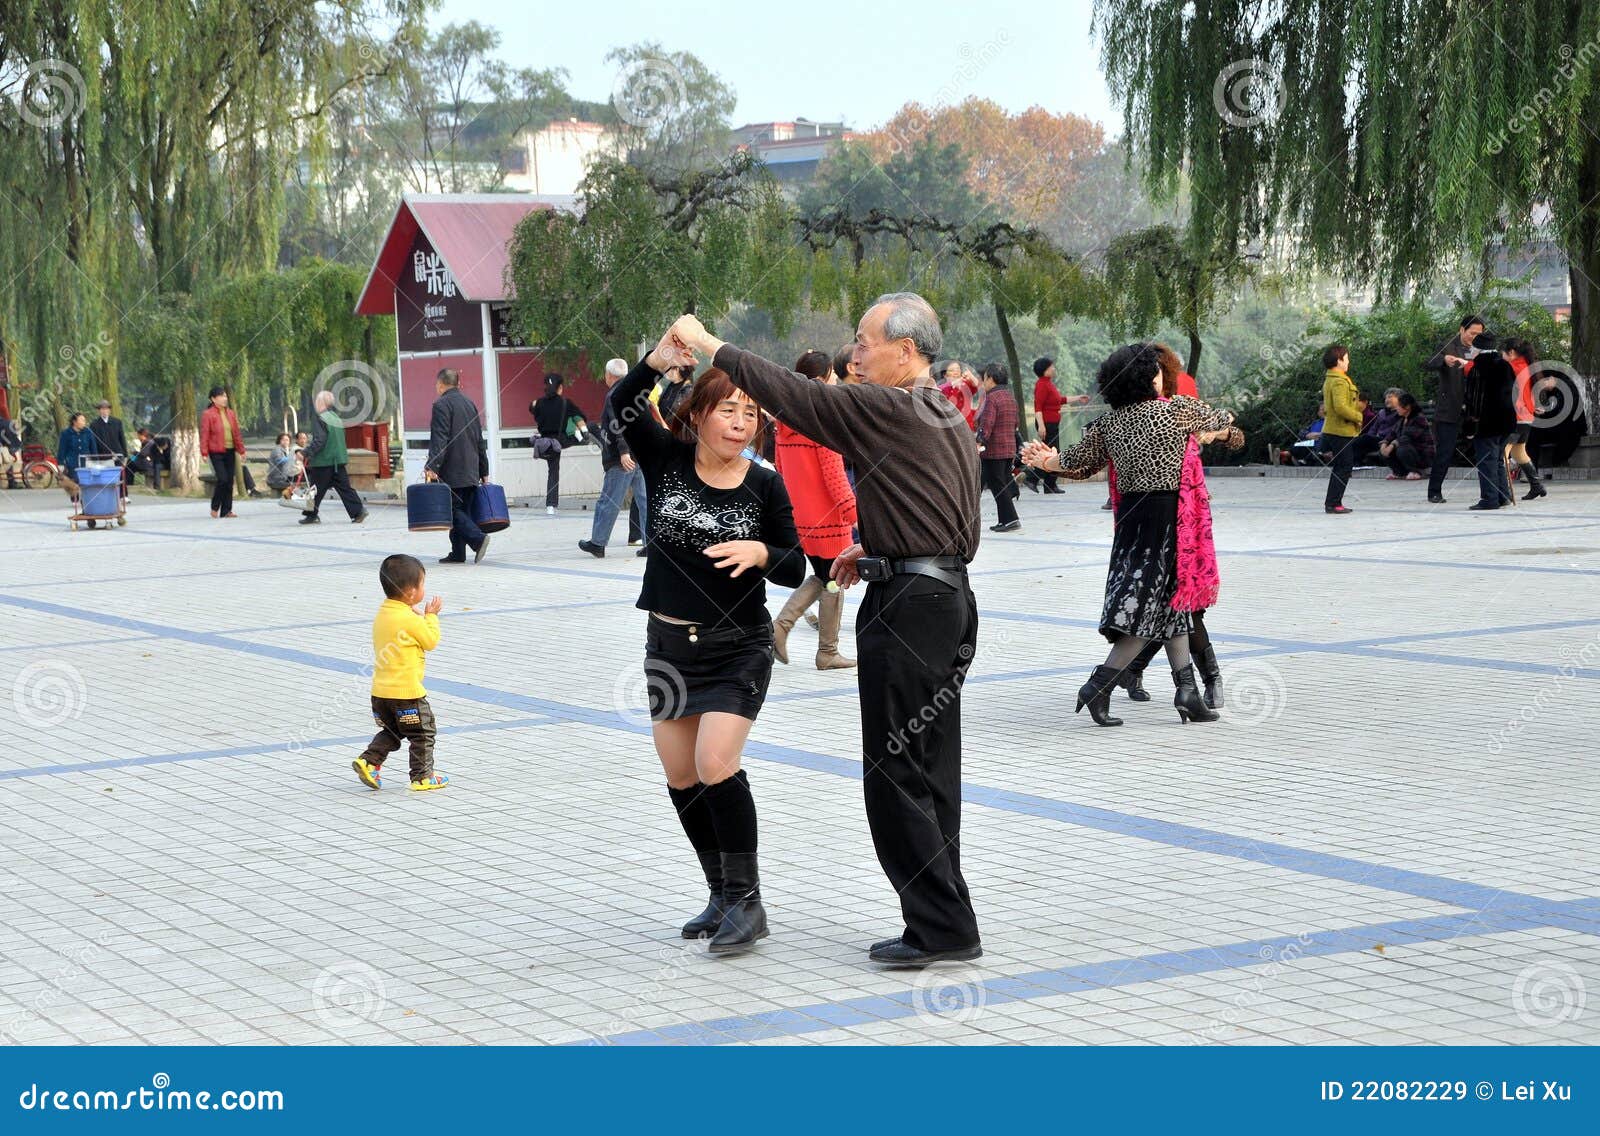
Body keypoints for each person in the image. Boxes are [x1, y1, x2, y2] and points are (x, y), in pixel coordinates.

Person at [667, 293, 984, 969]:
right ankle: (946, 915)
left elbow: (797, 399)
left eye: (866, 343)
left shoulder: (891, 406)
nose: (854, 354)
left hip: (911, 609)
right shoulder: (945, 412)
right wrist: (871, 549)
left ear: (909, 350)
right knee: (931, 768)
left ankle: (941, 926)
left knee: (895, 771)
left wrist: (708, 341)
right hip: (945, 596)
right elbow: (937, 508)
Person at [609, 337, 805, 957]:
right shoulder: (665, 459)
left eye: (751, 413)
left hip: (739, 647)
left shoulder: (766, 486)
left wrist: (763, 554)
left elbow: (798, 565)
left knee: (718, 763)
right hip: (668, 646)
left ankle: (749, 902)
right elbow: (622, 400)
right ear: (697, 414)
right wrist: (660, 362)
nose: (741, 422)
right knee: (682, 774)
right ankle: (720, 891)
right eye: (729, 410)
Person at [1021, 343, 1235, 728]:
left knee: (1173, 606)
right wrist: (1215, 430)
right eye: (1154, 370)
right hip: (1169, 520)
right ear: (1147, 377)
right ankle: (1099, 685)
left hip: (1132, 522)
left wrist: (1043, 460)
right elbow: (1221, 415)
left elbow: (1073, 464)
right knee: (1151, 611)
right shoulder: (1175, 411)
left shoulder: (1110, 423)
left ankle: (1186, 692)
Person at [771, 350, 859, 671]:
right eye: (832, 376)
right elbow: (835, 480)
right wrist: (856, 515)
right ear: (822, 380)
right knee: (834, 580)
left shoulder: (785, 424)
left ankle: (786, 629)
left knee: (825, 577)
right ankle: (824, 650)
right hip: (829, 520)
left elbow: (781, 470)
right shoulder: (821, 423)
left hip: (802, 519)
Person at [351, 554, 449, 793]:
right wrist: (431, 616)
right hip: (406, 693)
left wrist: (414, 614)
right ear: (411, 592)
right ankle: (422, 776)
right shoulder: (409, 618)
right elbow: (431, 640)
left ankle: (370, 761)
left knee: (393, 731)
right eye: (422, 584)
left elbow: (401, 626)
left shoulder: (384, 613)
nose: (423, 589)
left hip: (381, 693)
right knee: (422, 732)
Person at [580, 358, 649, 559]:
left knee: (609, 500)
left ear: (609, 376)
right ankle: (650, 544)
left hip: (622, 459)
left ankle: (597, 543)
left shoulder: (614, 394)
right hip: (641, 456)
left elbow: (619, 424)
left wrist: (623, 451)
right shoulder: (637, 392)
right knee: (645, 501)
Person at [425, 368, 490, 564]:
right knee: (463, 510)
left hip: (451, 470)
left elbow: (440, 438)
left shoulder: (441, 405)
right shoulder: (469, 403)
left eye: (436, 384)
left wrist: (432, 466)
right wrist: (484, 469)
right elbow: (479, 439)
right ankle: (458, 553)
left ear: (441, 384)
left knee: (450, 510)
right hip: (470, 469)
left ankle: (478, 539)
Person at [1425, 315, 1484, 503]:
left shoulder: (1481, 349)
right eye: (1471, 333)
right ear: (1461, 330)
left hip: (1475, 409)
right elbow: (1428, 362)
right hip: (1450, 408)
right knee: (1445, 451)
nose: (1474, 337)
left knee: (1486, 451)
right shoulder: (1448, 346)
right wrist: (1444, 359)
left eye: (1478, 334)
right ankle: (1434, 491)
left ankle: (1491, 493)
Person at [1463, 334, 1517, 510]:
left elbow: (1474, 401)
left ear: (1479, 349)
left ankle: (1489, 499)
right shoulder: (1505, 366)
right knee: (1498, 460)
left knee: (1486, 462)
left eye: (1472, 348)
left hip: (1486, 424)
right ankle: (1503, 496)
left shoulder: (1479, 368)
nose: (1470, 351)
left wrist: (1470, 425)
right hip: (1506, 422)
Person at [299, 391, 368, 525]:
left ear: (322, 403)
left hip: (324, 461)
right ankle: (358, 511)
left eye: (317, 401)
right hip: (338, 461)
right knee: (345, 489)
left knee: (314, 490)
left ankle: (311, 515)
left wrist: (304, 453)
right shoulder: (336, 418)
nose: (315, 404)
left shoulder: (320, 418)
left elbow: (320, 440)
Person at [1317, 344, 1364, 513]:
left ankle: (1333, 502)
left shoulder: (1332, 379)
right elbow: (1340, 407)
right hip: (1340, 430)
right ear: (1339, 360)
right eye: (1346, 358)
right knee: (1344, 467)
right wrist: (1358, 416)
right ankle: (1333, 503)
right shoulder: (1339, 381)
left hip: (1334, 429)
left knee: (1341, 466)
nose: (1348, 361)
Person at [975, 362, 1021, 533]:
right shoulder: (1009, 397)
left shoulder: (991, 398)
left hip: (993, 451)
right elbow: (1016, 423)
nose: (983, 382)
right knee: (1000, 484)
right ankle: (1006, 520)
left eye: (985, 378)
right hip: (1009, 449)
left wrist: (979, 442)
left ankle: (1010, 519)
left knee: (997, 485)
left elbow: (987, 424)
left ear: (991, 379)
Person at [532, 374, 586, 514]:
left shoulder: (538, 403)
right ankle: (600, 445)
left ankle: (551, 506)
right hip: (561, 441)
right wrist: (583, 431)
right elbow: (579, 418)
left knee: (553, 471)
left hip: (544, 444)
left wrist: (535, 403)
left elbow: (532, 407)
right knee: (590, 428)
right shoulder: (566, 403)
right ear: (560, 387)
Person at [1503, 338, 1548, 501]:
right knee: (1519, 453)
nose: (1502, 357)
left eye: (1504, 353)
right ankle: (1536, 486)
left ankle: (1505, 492)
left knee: (1503, 453)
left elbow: (1518, 394)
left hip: (1517, 417)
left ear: (1511, 353)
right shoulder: (1528, 367)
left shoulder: (1515, 367)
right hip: (1526, 417)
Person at [199, 386, 245, 518]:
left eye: (225, 396)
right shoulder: (208, 414)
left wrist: (241, 450)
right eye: (221, 396)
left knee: (229, 480)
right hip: (216, 452)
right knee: (223, 479)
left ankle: (226, 511)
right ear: (213, 399)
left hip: (230, 451)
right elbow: (205, 434)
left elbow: (236, 433)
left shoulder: (230, 413)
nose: (225, 398)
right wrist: (204, 452)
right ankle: (215, 506)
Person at [1027, 356, 1065, 493]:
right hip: (1047, 424)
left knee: (1052, 453)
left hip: (1052, 423)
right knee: (1052, 454)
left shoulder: (1048, 383)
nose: (1053, 368)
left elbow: (1059, 400)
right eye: (1051, 366)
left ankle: (1049, 485)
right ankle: (1032, 479)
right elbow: (1038, 407)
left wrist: (1078, 398)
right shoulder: (1042, 384)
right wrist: (1041, 426)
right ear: (1045, 370)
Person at [1381, 392, 1434, 480]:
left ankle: (1416, 471)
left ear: (1407, 407)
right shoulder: (1401, 419)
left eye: (1398, 406)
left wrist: (1392, 445)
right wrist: (1384, 444)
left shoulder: (1419, 418)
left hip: (1421, 453)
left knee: (1402, 449)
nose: (1396, 408)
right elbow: (1391, 434)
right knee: (1383, 452)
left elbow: (1408, 437)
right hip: (1407, 449)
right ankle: (1399, 472)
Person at [56, 412, 96, 513]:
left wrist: (95, 459)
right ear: (74, 422)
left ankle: (85, 500)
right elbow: (62, 449)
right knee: (75, 480)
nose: (84, 422)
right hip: (72, 462)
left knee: (86, 482)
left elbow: (93, 447)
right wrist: (60, 463)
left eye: (84, 420)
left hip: (86, 461)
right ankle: (75, 498)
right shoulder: (66, 433)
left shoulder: (88, 432)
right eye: (81, 420)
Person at [937, 359, 979, 430]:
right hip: (950, 428)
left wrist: (971, 376)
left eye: (957, 369)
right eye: (952, 370)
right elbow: (938, 390)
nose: (955, 372)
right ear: (945, 374)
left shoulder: (965, 385)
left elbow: (977, 385)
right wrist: (952, 383)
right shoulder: (942, 388)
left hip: (966, 427)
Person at [1, 414, 22, 490]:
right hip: (16, 445)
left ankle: (12, 482)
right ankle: (12, 483)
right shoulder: (8, 422)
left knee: (9, 462)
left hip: (10, 446)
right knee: (11, 463)